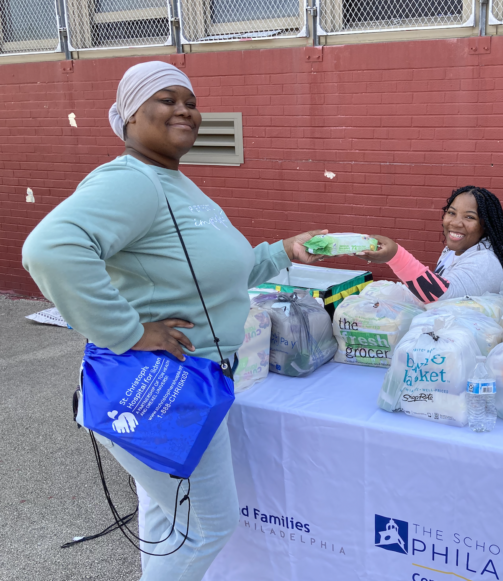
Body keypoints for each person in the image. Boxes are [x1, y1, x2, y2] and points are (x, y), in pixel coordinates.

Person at [21, 61, 327, 581]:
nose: (185, 108)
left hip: (191, 382)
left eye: (190, 100)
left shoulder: (173, 182)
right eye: (166, 99)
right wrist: (128, 332)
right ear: (130, 115)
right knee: (208, 522)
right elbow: (51, 249)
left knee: (168, 515)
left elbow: (218, 270)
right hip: (163, 385)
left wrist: (281, 251)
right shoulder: (133, 181)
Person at [360, 186, 503, 303]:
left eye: (469, 217)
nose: (456, 223)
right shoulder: (455, 250)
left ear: (485, 225)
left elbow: (441, 297)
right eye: (451, 213)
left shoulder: (485, 260)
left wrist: (395, 256)